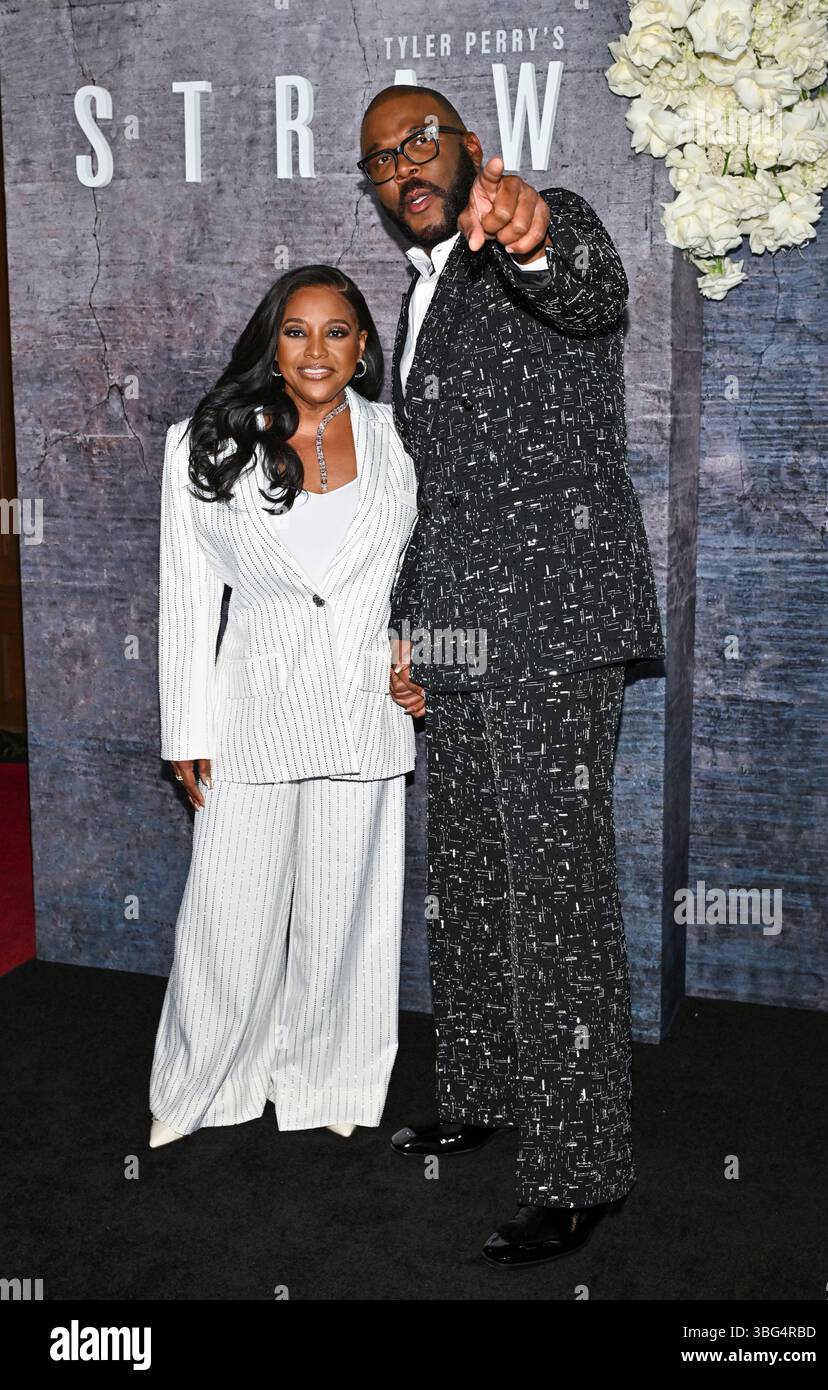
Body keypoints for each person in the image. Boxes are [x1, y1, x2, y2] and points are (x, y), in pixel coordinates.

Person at [357, 85, 666, 1267]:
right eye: (382, 160)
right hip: (456, 629)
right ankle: (483, 1088)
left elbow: (587, 286)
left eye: (422, 141)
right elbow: (428, 499)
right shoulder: (415, 295)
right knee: (473, 870)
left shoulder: (536, 229)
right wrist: (407, 628)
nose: (406, 167)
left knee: (557, 891)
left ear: (473, 150)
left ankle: (582, 1166)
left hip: (555, 620)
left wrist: (532, 235)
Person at [149, 266, 419, 1147]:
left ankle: (330, 1085)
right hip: (249, 712)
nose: (315, 350)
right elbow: (188, 598)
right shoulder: (204, 443)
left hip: (361, 705)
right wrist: (185, 728)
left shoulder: (400, 436)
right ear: (272, 341)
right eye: (296, 331)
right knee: (228, 911)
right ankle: (209, 1082)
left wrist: (423, 650)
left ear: (364, 348)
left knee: (349, 915)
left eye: (336, 332)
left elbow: (434, 564)